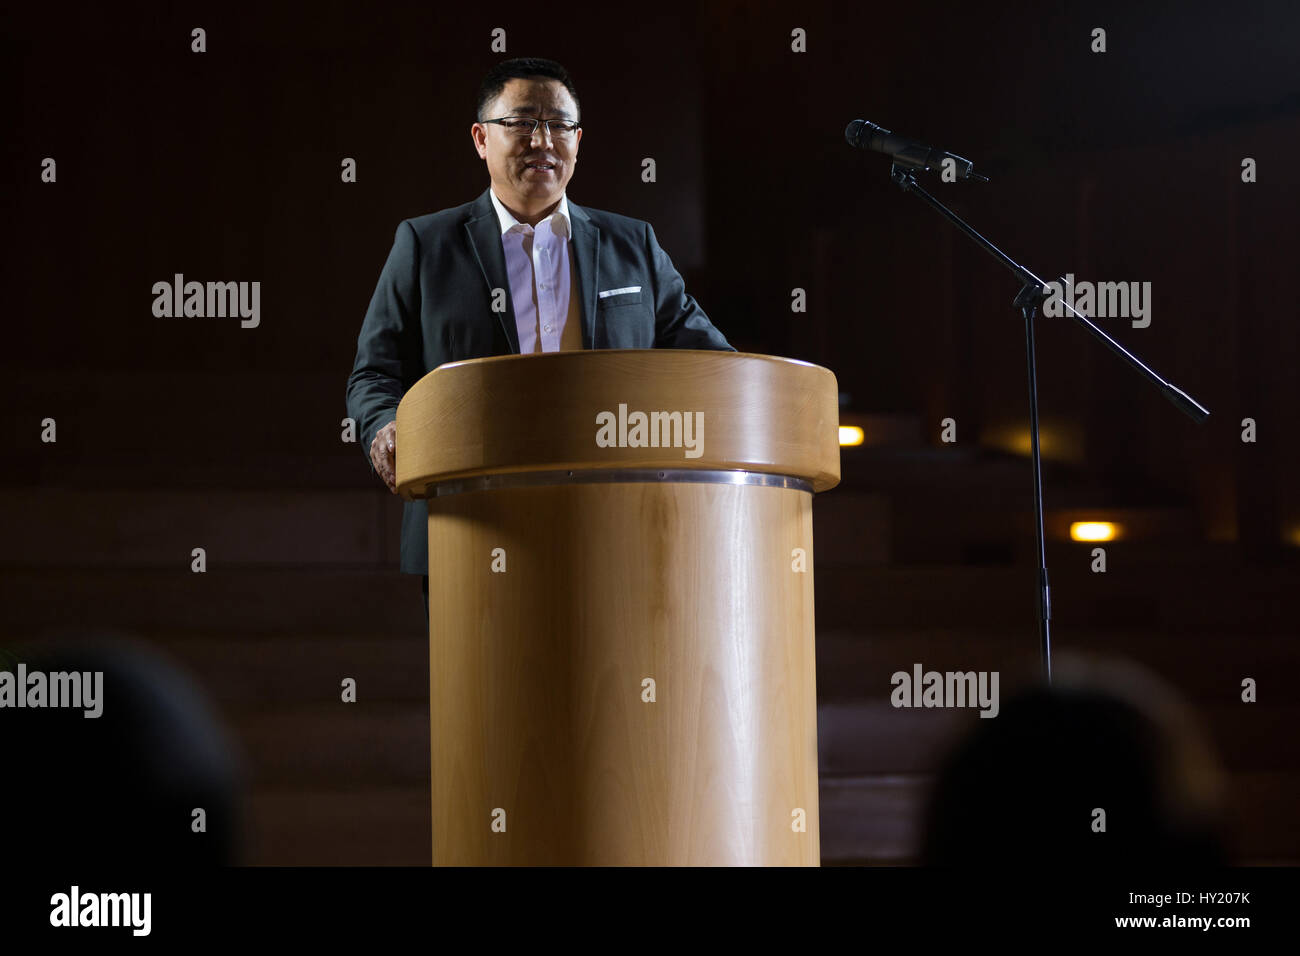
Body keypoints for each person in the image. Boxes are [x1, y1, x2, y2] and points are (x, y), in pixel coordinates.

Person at [345, 57, 735, 619]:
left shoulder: (635, 245)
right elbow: (373, 373)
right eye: (522, 123)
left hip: (618, 523)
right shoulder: (427, 246)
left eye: (559, 125)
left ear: (579, 141)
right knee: (484, 704)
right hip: (471, 524)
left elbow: (713, 363)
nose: (542, 140)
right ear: (481, 138)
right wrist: (384, 428)